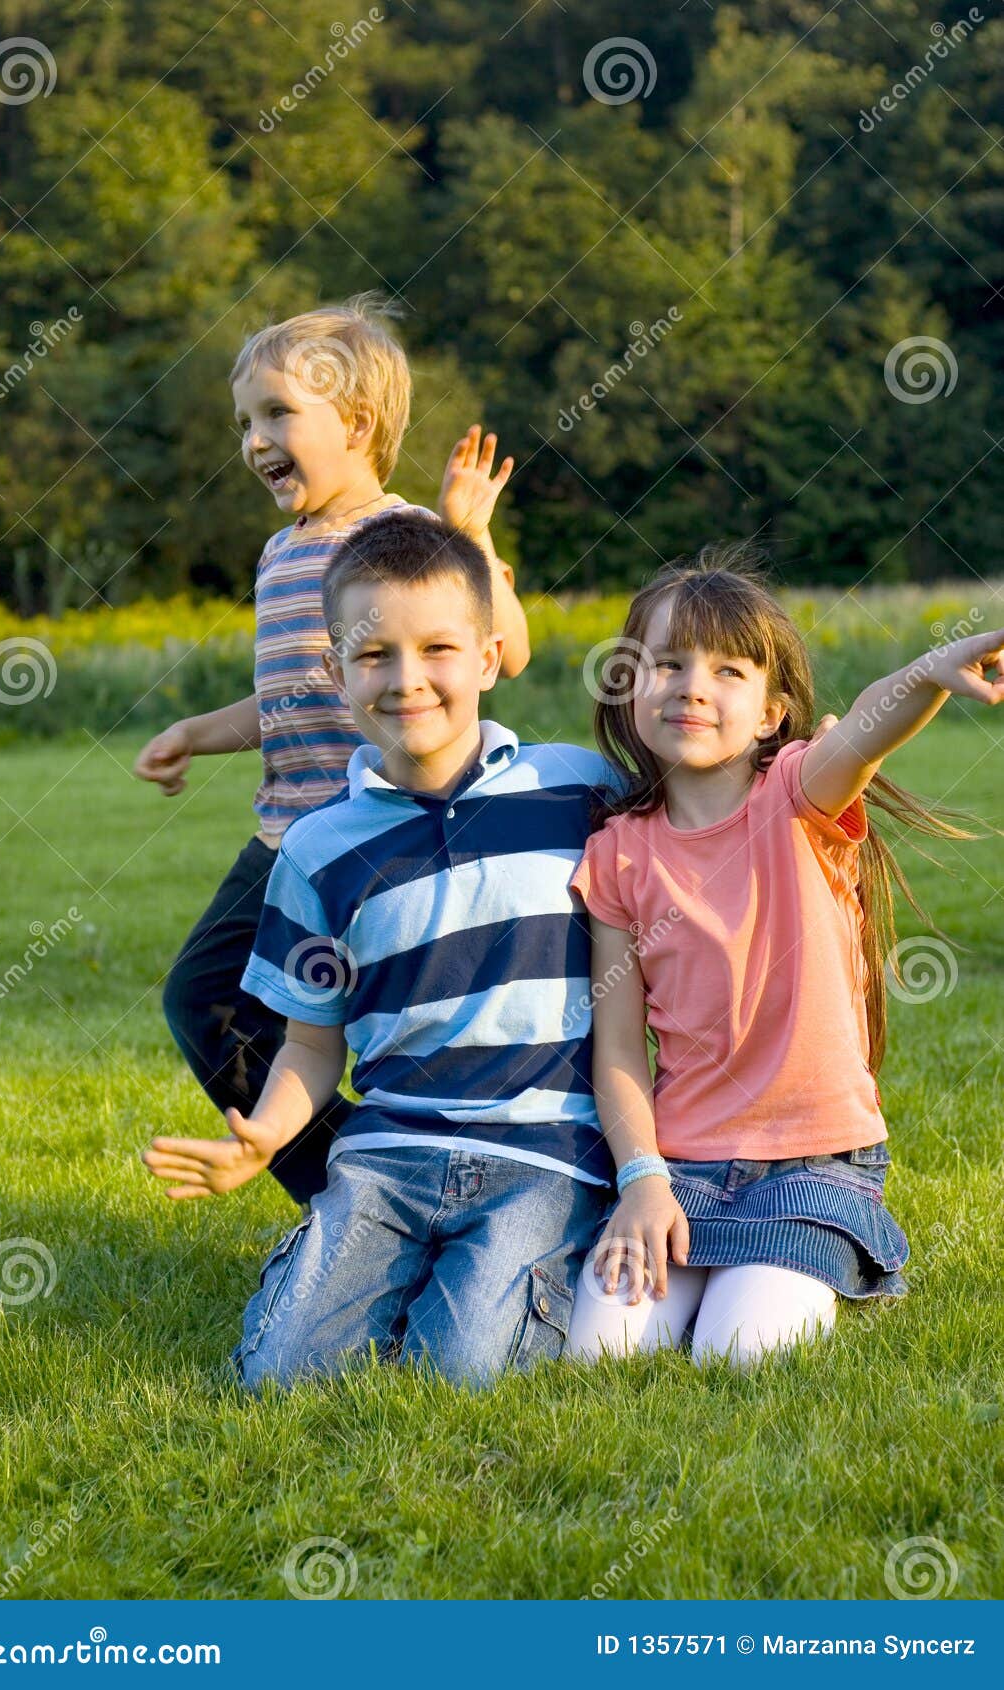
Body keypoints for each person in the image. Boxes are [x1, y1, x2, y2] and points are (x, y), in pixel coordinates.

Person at [143, 510, 620, 1387]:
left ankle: (527, 1276)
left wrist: (803, 761)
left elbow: (713, 820)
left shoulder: (576, 790)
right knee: (279, 1379)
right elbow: (312, 1043)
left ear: (486, 656)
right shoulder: (318, 849)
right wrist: (265, 1139)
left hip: (543, 1158)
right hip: (385, 1153)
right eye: (372, 656)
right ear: (333, 672)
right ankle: (327, 1257)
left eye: (438, 650)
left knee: (464, 1373)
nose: (407, 681)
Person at [134, 294, 528, 1204]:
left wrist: (469, 533)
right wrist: (198, 732)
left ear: (354, 424)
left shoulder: (404, 542)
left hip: (384, 832)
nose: (253, 439)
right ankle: (342, 1184)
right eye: (244, 422)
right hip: (285, 843)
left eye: (276, 414)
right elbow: (287, 699)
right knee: (205, 1000)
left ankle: (453, 1173)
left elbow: (507, 649)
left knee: (408, 1024)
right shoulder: (278, 554)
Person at [565, 549, 1001, 1367]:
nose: (691, 686)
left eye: (726, 670)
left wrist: (933, 671)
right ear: (629, 690)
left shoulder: (799, 795)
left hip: (812, 1164)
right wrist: (641, 1180)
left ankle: (810, 1261)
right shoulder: (617, 853)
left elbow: (867, 724)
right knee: (600, 1352)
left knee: (743, 1352)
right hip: (685, 1165)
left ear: (771, 713)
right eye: (665, 663)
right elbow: (618, 1048)